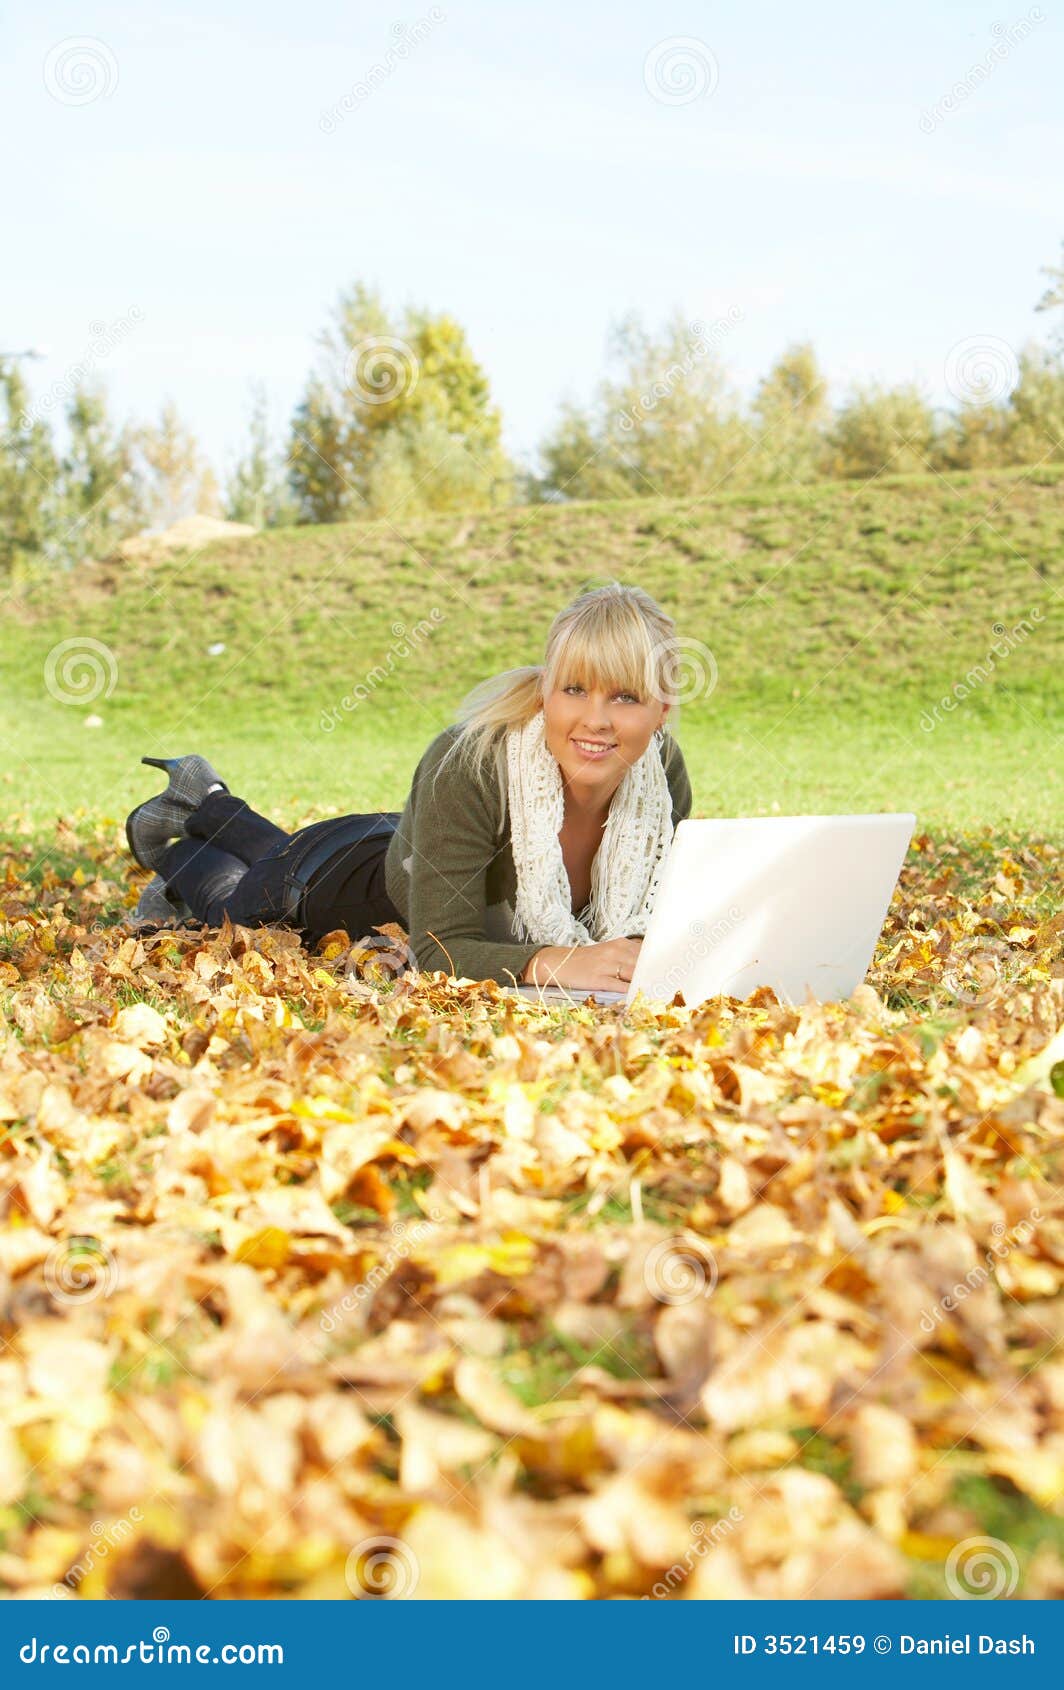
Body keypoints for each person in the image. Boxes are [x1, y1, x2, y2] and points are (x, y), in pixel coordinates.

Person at [124, 581, 693, 993]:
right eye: (574, 689)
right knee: (229, 895)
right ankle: (179, 855)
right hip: (320, 886)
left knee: (281, 851)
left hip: (405, 847)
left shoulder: (659, 774)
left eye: (624, 697)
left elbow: (654, 917)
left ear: (661, 710)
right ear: (545, 691)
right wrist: (554, 961)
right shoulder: (469, 761)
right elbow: (438, 949)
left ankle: (210, 800)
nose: (596, 719)